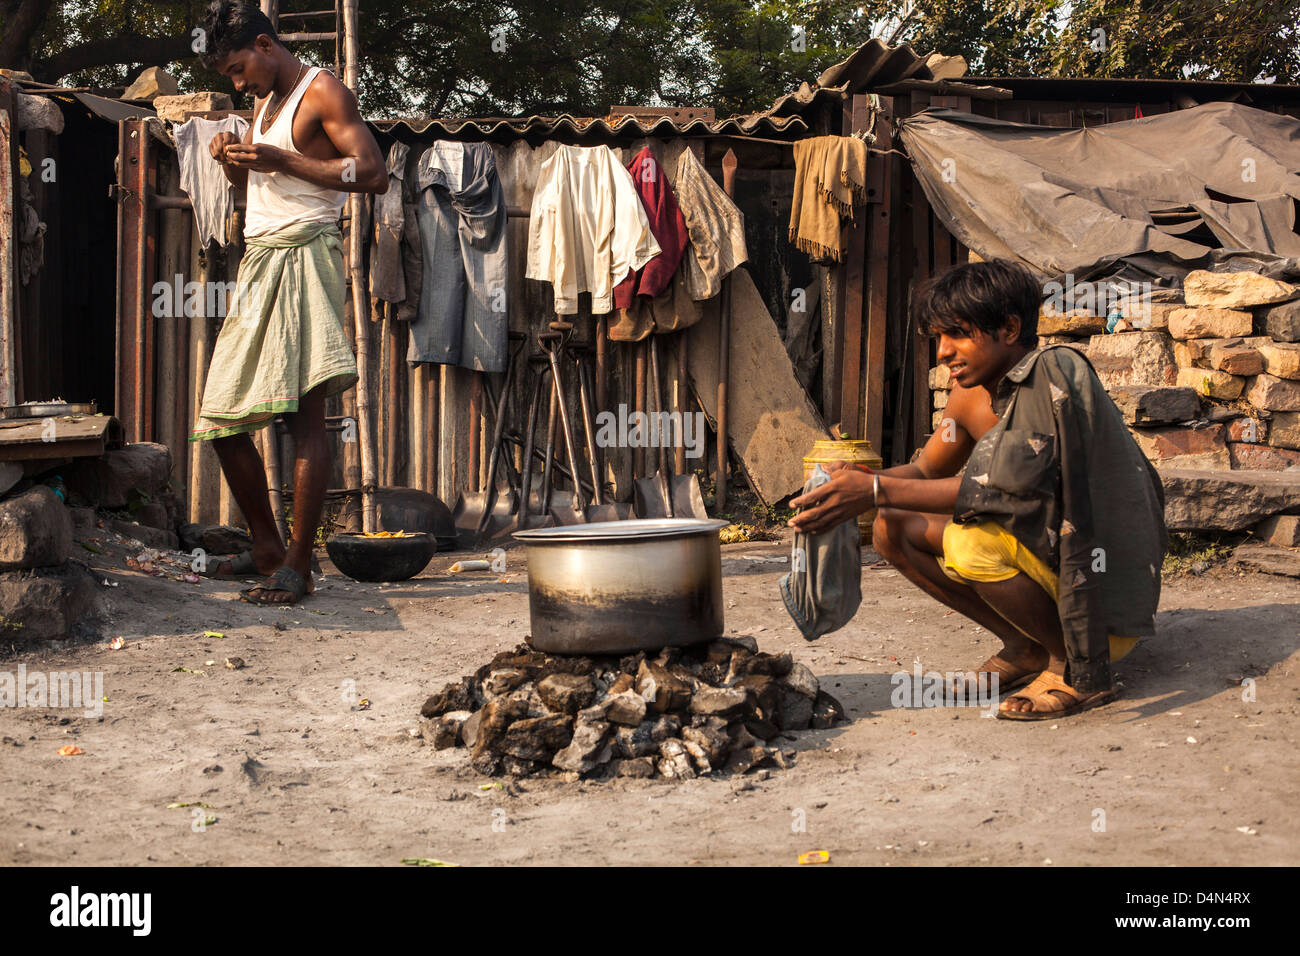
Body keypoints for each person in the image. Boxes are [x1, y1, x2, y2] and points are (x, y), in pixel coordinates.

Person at [789, 259, 1167, 719]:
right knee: (894, 528)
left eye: (958, 334)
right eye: (939, 337)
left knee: (970, 545)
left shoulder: (1053, 372)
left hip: (1097, 594)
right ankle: (1026, 645)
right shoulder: (970, 395)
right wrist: (857, 481)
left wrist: (870, 493)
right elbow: (926, 471)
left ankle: (1076, 667)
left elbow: (1004, 489)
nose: (944, 351)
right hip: (1044, 557)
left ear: (1009, 328)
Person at [190, 1, 387, 604]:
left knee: (305, 420)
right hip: (259, 260)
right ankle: (267, 548)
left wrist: (283, 158)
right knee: (220, 419)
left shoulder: (322, 91)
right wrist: (234, 160)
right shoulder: (263, 103)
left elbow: (373, 173)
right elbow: (263, 185)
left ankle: (298, 564)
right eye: (229, 75)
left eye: (238, 69)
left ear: (265, 43)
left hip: (307, 255)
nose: (238, 82)